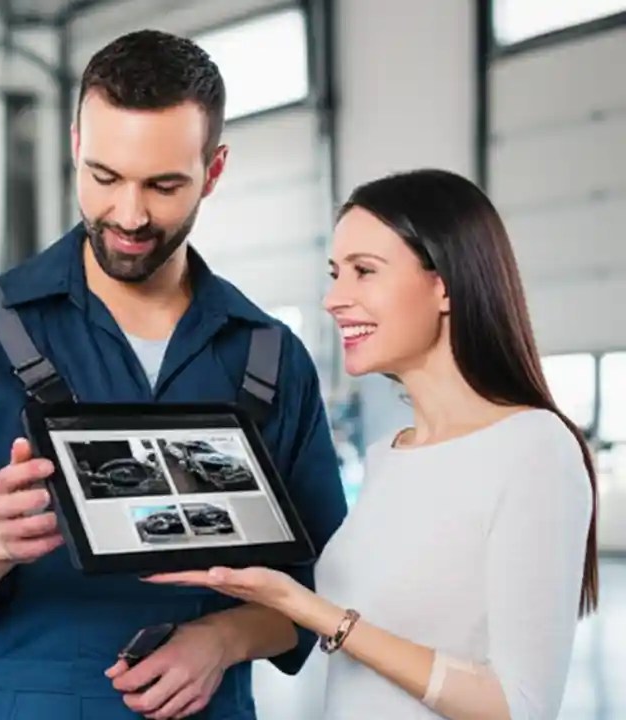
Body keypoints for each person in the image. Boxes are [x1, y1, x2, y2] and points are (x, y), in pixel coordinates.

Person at [0, 29, 349, 720]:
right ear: (75, 147)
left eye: (164, 184)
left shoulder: (267, 357)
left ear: (213, 171)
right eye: (105, 176)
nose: (129, 214)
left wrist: (221, 640)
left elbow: (319, 585)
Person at [147, 168, 599, 719]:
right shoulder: (392, 453)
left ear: (445, 285)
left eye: (364, 272)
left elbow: (520, 707)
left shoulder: (535, 449)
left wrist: (316, 612)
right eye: (336, 273)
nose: (334, 299)